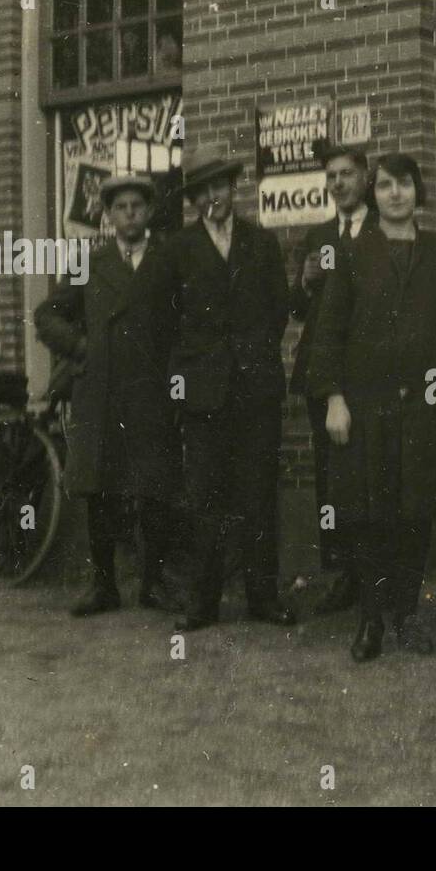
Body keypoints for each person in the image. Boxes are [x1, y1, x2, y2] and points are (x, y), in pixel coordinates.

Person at [308, 153, 436, 662]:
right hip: (367, 406)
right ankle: (371, 620)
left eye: (404, 185)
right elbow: (329, 330)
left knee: (414, 513)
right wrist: (335, 398)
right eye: (384, 186)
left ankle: (406, 615)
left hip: (425, 405)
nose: (395, 194)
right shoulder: (353, 253)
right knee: (370, 514)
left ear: (417, 192)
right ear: (373, 194)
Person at [155, 151, 295, 631]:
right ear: (194, 200)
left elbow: (278, 311)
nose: (214, 198)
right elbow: (165, 325)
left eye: (221, 188)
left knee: (258, 496)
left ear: (233, 191)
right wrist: (188, 379)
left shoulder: (262, 242)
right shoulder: (178, 250)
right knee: (204, 500)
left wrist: (250, 356)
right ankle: (203, 603)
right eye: (204, 192)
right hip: (202, 394)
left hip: (255, 390)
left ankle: (263, 597)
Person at [34, 174, 181, 617]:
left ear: (149, 212)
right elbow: (46, 315)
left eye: (137, 205)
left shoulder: (168, 259)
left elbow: (183, 323)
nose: (130, 213)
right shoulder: (90, 262)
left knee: (155, 488)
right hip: (101, 392)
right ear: (108, 215)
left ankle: (152, 585)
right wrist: (81, 347)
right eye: (121, 207)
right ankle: (104, 587)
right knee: (98, 488)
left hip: (152, 391)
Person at [287, 146, 377, 614]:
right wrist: (303, 282)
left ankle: (375, 576)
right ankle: (341, 574)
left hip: (370, 372)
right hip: (323, 375)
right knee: (330, 478)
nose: (339, 183)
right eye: (331, 176)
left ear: (366, 177)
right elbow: (300, 312)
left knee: (371, 473)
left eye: (347, 174)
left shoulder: (384, 229)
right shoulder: (320, 235)